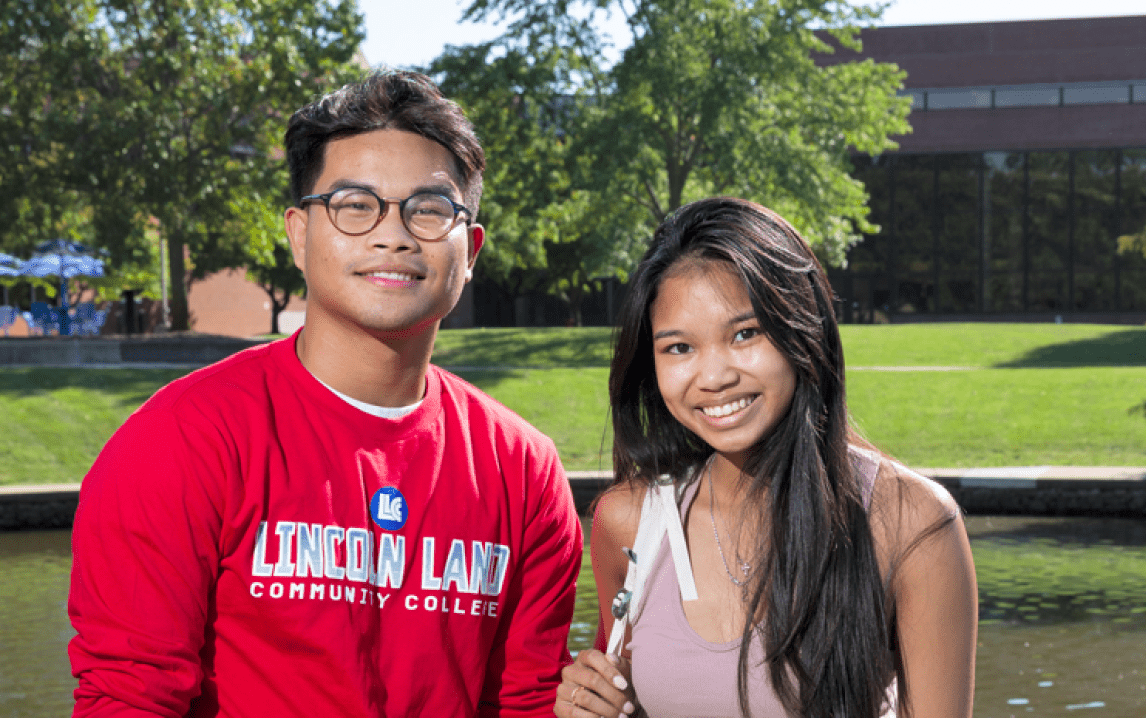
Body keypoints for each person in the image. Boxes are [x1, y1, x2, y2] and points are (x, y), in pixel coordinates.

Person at [68, 71, 584, 717]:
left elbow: (527, 701)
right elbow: (130, 697)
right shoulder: (179, 441)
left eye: (428, 208)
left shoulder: (524, 473)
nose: (392, 234)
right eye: (354, 204)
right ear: (299, 234)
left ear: (470, 248)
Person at [555, 198, 978, 718]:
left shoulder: (911, 522)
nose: (713, 377)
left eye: (745, 334)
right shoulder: (629, 523)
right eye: (679, 348)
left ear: (802, 330)